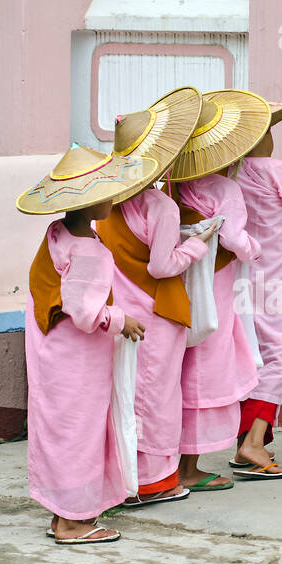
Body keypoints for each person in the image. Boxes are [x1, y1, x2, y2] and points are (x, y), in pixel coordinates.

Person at [18, 140, 153, 544]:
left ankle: (61, 512)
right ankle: (75, 521)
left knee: (59, 427)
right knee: (80, 429)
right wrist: (121, 320)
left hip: (50, 350)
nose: (113, 197)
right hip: (77, 357)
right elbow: (85, 312)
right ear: (93, 203)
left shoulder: (56, 233)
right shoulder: (90, 251)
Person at [95, 87, 210, 507]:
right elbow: (163, 266)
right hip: (157, 318)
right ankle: (155, 482)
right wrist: (198, 245)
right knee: (159, 398)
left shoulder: (106, 203)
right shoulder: (160, 205)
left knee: (125, 396)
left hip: (120, 315)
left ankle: (124, 476)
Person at [169, 90, 271, 490]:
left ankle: (172, 462)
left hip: (179, 283)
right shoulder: (224, 190)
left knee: (181, 368)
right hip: (213, 285)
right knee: (206, 370)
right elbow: (234, 240)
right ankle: (190, 468)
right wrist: (256, 248)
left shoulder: (174, 186)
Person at [232, 100, 282, 479]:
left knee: (253, 355)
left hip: (241, 274)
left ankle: (245, 444)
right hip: (278, 273)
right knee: (279, 357)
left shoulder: (231, 173)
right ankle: (253, 442)